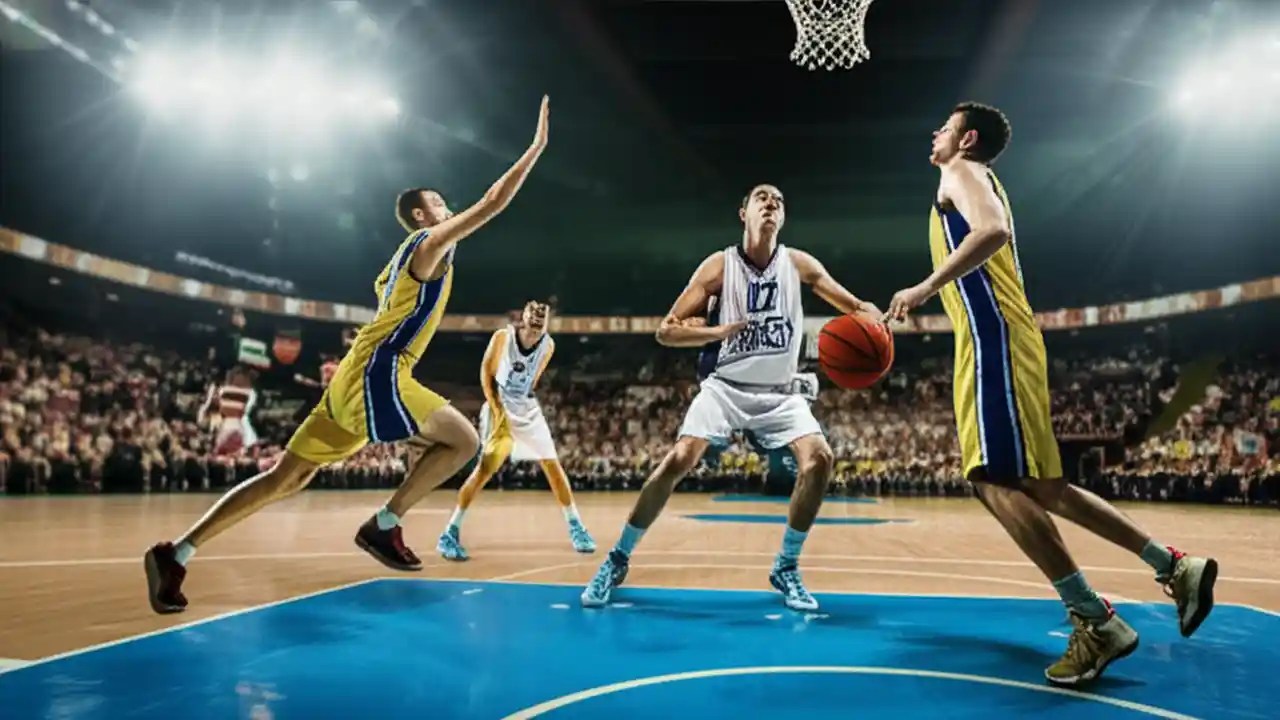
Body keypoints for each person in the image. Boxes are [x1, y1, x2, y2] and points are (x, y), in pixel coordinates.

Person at [143, 96, 552, 614]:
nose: (452, 209)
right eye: (443, 204)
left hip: (359, 373)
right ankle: (385, 525)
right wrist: (535, 148)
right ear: (423, 216)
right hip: (381, 368)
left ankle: (174, 554)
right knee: (465, 440)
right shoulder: (427, 243)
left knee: (285, 478)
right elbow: (492, 202)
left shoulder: (399, 265)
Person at [886, 102, 1217, 687]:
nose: (934, 130)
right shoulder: (971, 177)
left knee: (990, 480)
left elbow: (992, 230)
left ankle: (1095, 620)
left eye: (945, 125)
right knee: (1043, 487)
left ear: (967, 140)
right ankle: (1175, 567)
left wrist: (925, 285)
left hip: (994, 339)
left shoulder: (961, 174)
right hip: (1003, 337)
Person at [582, 183, 879, 610]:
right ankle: (617, 559)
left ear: (783, 217)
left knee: (820, 460)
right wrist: (717, 331)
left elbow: (853, 305)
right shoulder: (719, 267)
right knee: (679, 459)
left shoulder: (798, 265)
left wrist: (880, 320)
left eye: (778, 199)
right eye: (762, 198)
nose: (771, 203)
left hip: (780, 392)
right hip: (725, 387)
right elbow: (666, 330)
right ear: (744, 213)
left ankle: (786, 567)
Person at [436, 300, 596, 560]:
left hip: (527, 408)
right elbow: (486, 374)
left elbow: (534, 379)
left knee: (553, 467)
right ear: (523, 321)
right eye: (531, 327)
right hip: (500, 404)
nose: (534, 334)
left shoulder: (548, 345)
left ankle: (576, 526)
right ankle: (449, 532)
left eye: (539, 329)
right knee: (485, 470)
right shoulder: (503, 338)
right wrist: (498, 410)